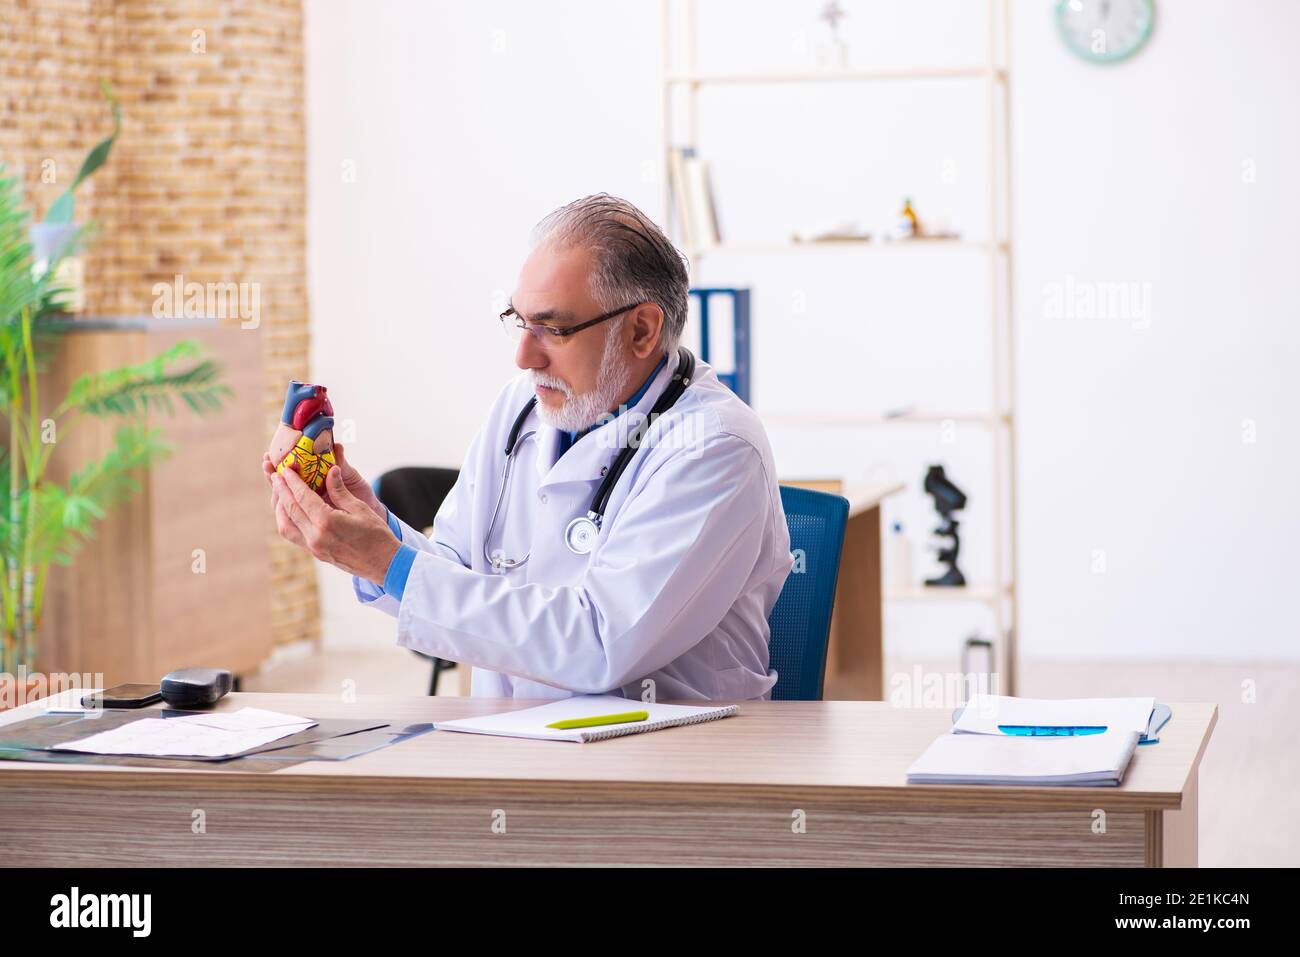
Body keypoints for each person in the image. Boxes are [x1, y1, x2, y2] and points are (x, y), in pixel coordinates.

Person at [265, 194, 792, 700]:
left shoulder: (715, 447)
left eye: (552, 328)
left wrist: (386, 563)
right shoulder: (522, 407)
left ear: (642, 330)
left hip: (669, 760)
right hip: (515, 746)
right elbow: (454, 567)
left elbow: (599, 644)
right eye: (519, 321)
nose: (523, 357)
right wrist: (366, 529)